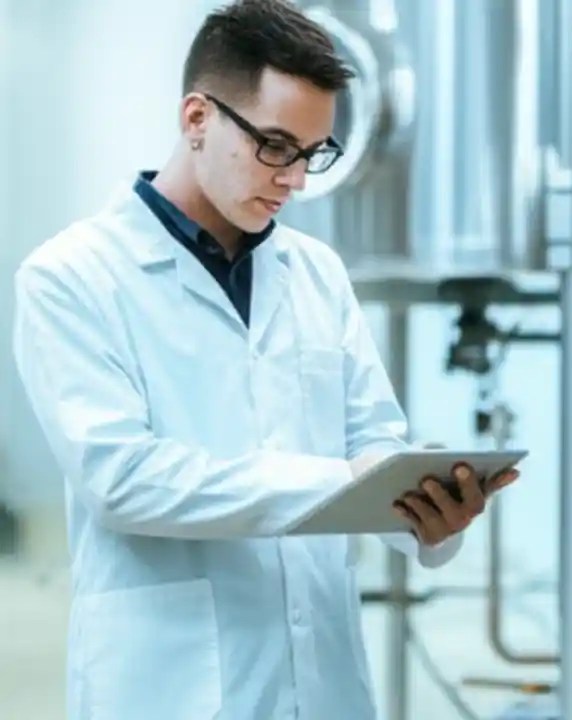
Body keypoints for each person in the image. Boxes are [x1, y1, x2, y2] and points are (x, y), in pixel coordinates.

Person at [10, 1, 519, 718]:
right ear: (196, 119)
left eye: (314, 154)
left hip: (324, 685)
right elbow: (122, 480)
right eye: (276, 146)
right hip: (173, 687)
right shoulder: (71, 276)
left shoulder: (317, 271)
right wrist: (338, 481)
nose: (296, 180)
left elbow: (371, 441)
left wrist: (425, 519)